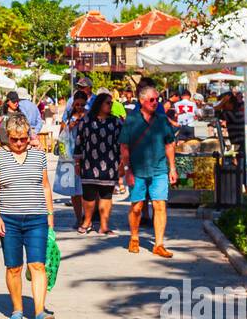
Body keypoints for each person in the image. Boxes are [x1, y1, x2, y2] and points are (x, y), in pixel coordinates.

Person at [0, 112, 55, 319]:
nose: (19, 143)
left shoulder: (39, 156)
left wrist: (50, 214)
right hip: (9, 219)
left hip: (36, 218)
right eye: (14, 139)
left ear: (29, 136)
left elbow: (45, 186)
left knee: (38, 264)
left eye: (23, 139)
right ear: (8, 136)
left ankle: (39, 311)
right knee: (14, 267)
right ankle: (17, 308)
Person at [120, 78, 179, 258]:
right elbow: (124, 147)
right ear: (142, 101)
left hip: (159, 169)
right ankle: (134, 237)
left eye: (157, 100)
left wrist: (173, 168)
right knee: (137, 207)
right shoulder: (131, 120)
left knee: (160, 205)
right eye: (152, 100)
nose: (155, 103)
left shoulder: (162, 120)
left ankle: (159, 244)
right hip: (137, 170)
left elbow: (170, 144)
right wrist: (127, 170)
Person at [75, 91, 124, 234]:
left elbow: (121, 143)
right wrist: (77, 163)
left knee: (106, 195)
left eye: (111, 103)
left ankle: (104, 226)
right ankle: (87, 222)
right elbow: (79, 142)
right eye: (108, 103)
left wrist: (122, 164)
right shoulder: (86, 120)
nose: (110, 105)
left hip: (110, 165)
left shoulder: (116, 122)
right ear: (100, 104)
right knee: (88, 196)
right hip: (89, 163)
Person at [54, 88, 89, 223]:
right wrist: (70, 126)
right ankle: (79, 218)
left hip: (86, 153)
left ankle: (88, 216)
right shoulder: (68, 117)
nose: (79, 107)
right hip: (70, 154)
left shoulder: (89, 116)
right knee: (74, 189)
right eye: (77, 104)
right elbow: (61, 135)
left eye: (82, 104)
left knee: (85, 189)